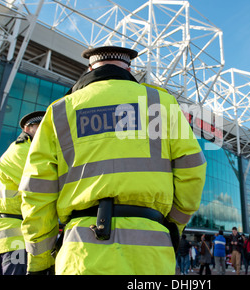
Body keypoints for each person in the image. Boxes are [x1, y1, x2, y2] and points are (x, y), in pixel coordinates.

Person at [19, 46, 206, 275]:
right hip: (150, 252)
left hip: (81, 253)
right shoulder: (162, 103)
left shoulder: (59, 111)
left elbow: (37, 189)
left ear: (89, 68)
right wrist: (172, 225)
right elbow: (193, 170)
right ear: (129, 68)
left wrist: (40, 259)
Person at [0, 110, 45, 275]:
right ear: (28, 128)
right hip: (14, 234)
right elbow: (37, 184)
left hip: (19, 231)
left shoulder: (33, 151)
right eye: (40, 126)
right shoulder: (20, 150)